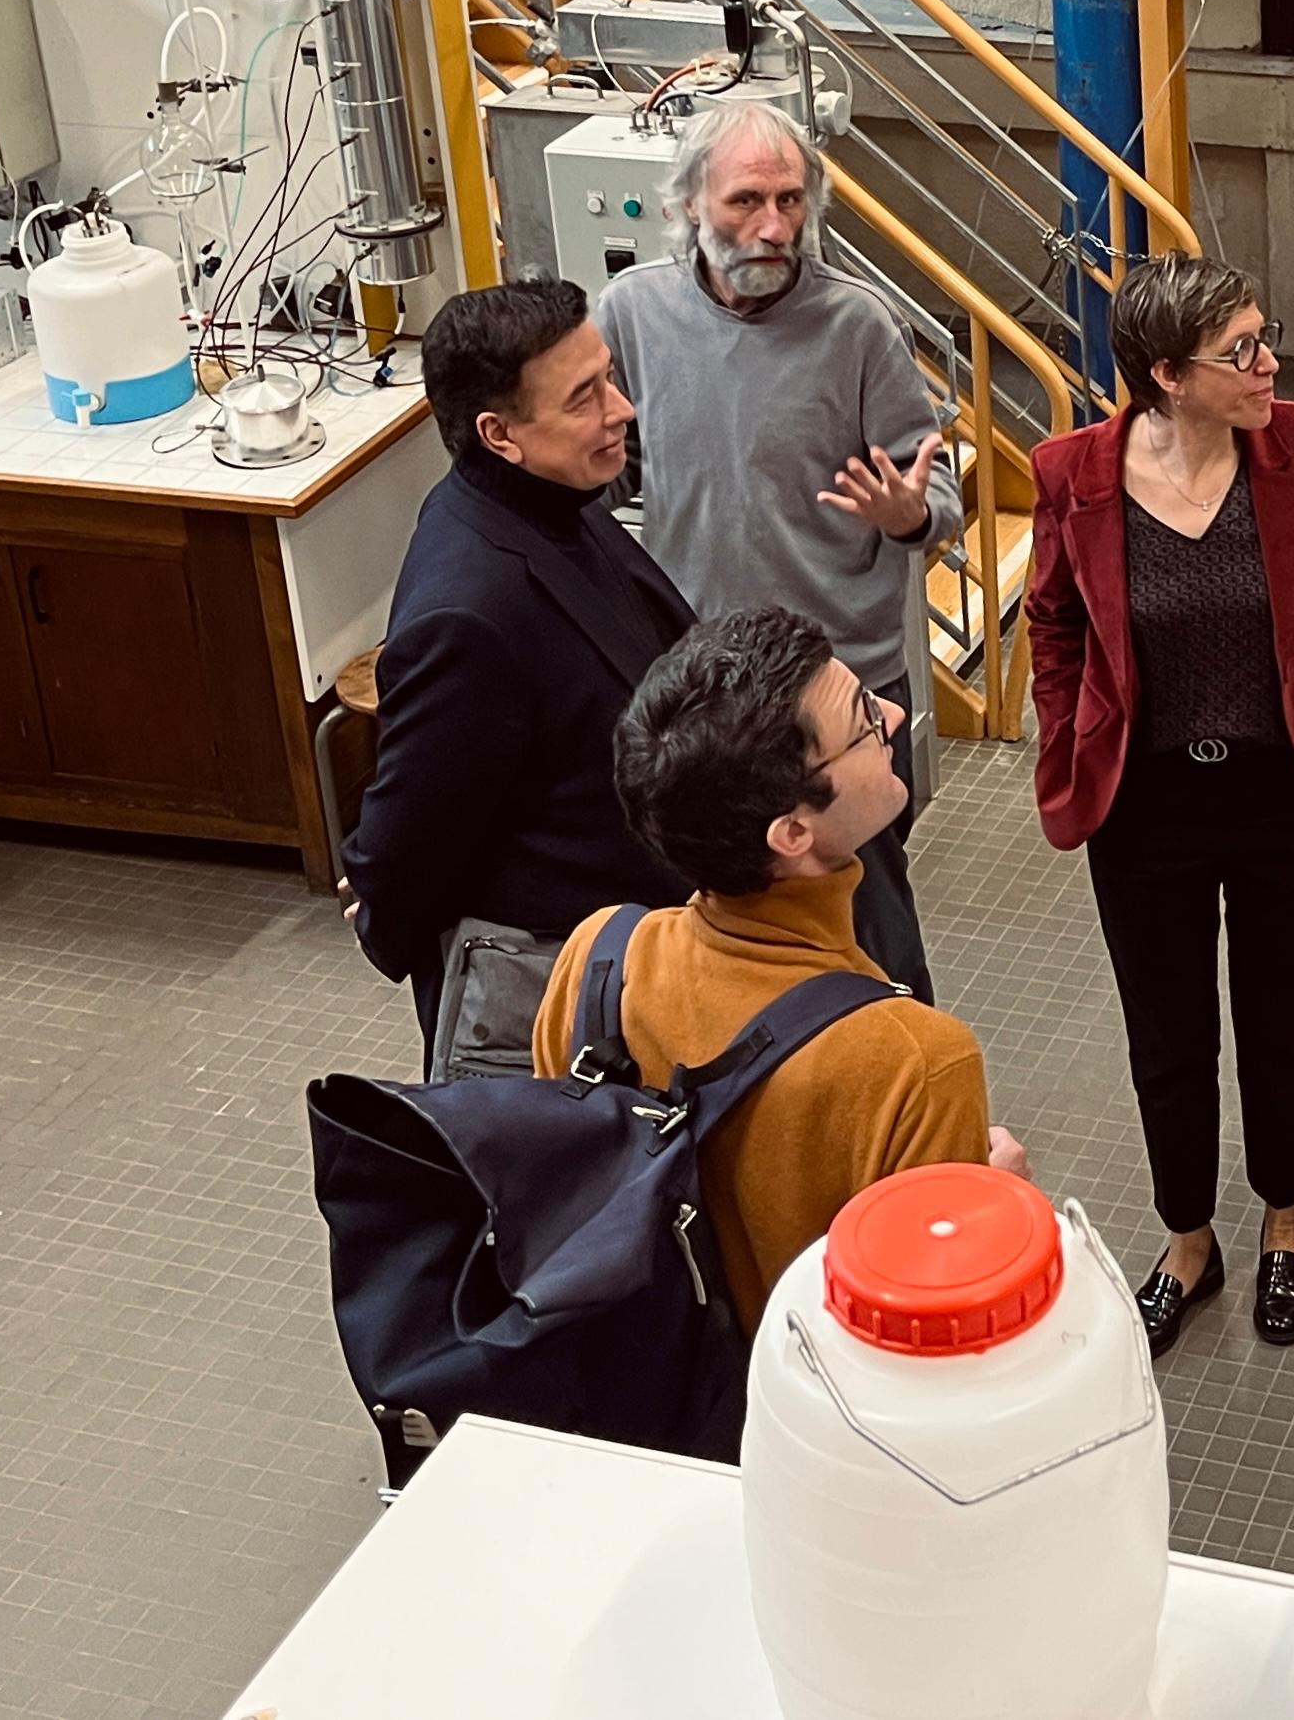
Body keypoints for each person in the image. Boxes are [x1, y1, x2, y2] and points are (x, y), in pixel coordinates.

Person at [1025, 255, 1294, 1357]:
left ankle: (1284, 1226)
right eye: (1239, 350)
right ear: (1166, 378)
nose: (1268, 361)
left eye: (1261, 333)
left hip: (1289, 792)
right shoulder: (1073, 472)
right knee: (1168, 1037)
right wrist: (1067, 734)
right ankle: (1188, 1241)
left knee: (1282, 1027)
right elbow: (1052, 622)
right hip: (1145, 805)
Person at [532, 606, 1021, 1327]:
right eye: (861, 720)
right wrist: (991, 1208)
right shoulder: (915, 1063)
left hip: (640, 1396)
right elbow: (931, 1327)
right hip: (811, 1419)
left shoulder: (599, 960)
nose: (891, 714)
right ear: (792, 831)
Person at [596, 96, 961, 1005]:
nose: (772, 228)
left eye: (791, 202)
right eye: (745, 202)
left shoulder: (858, 326)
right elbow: (605, 465)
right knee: (723, 949)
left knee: (873, 944)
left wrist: (907, 517)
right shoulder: (630, 313)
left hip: (843, 700)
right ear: (687, 205)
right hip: (705, 701)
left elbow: (940, 497)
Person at [343, 279, 694, 1057]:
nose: (620, 409)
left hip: (640, 953)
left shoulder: (553, 503)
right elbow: (408, 839)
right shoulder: (468, 613)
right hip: (562, 1006)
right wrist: (376, 887)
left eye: (608, 377)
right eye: (583, 397)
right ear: (500, 434)